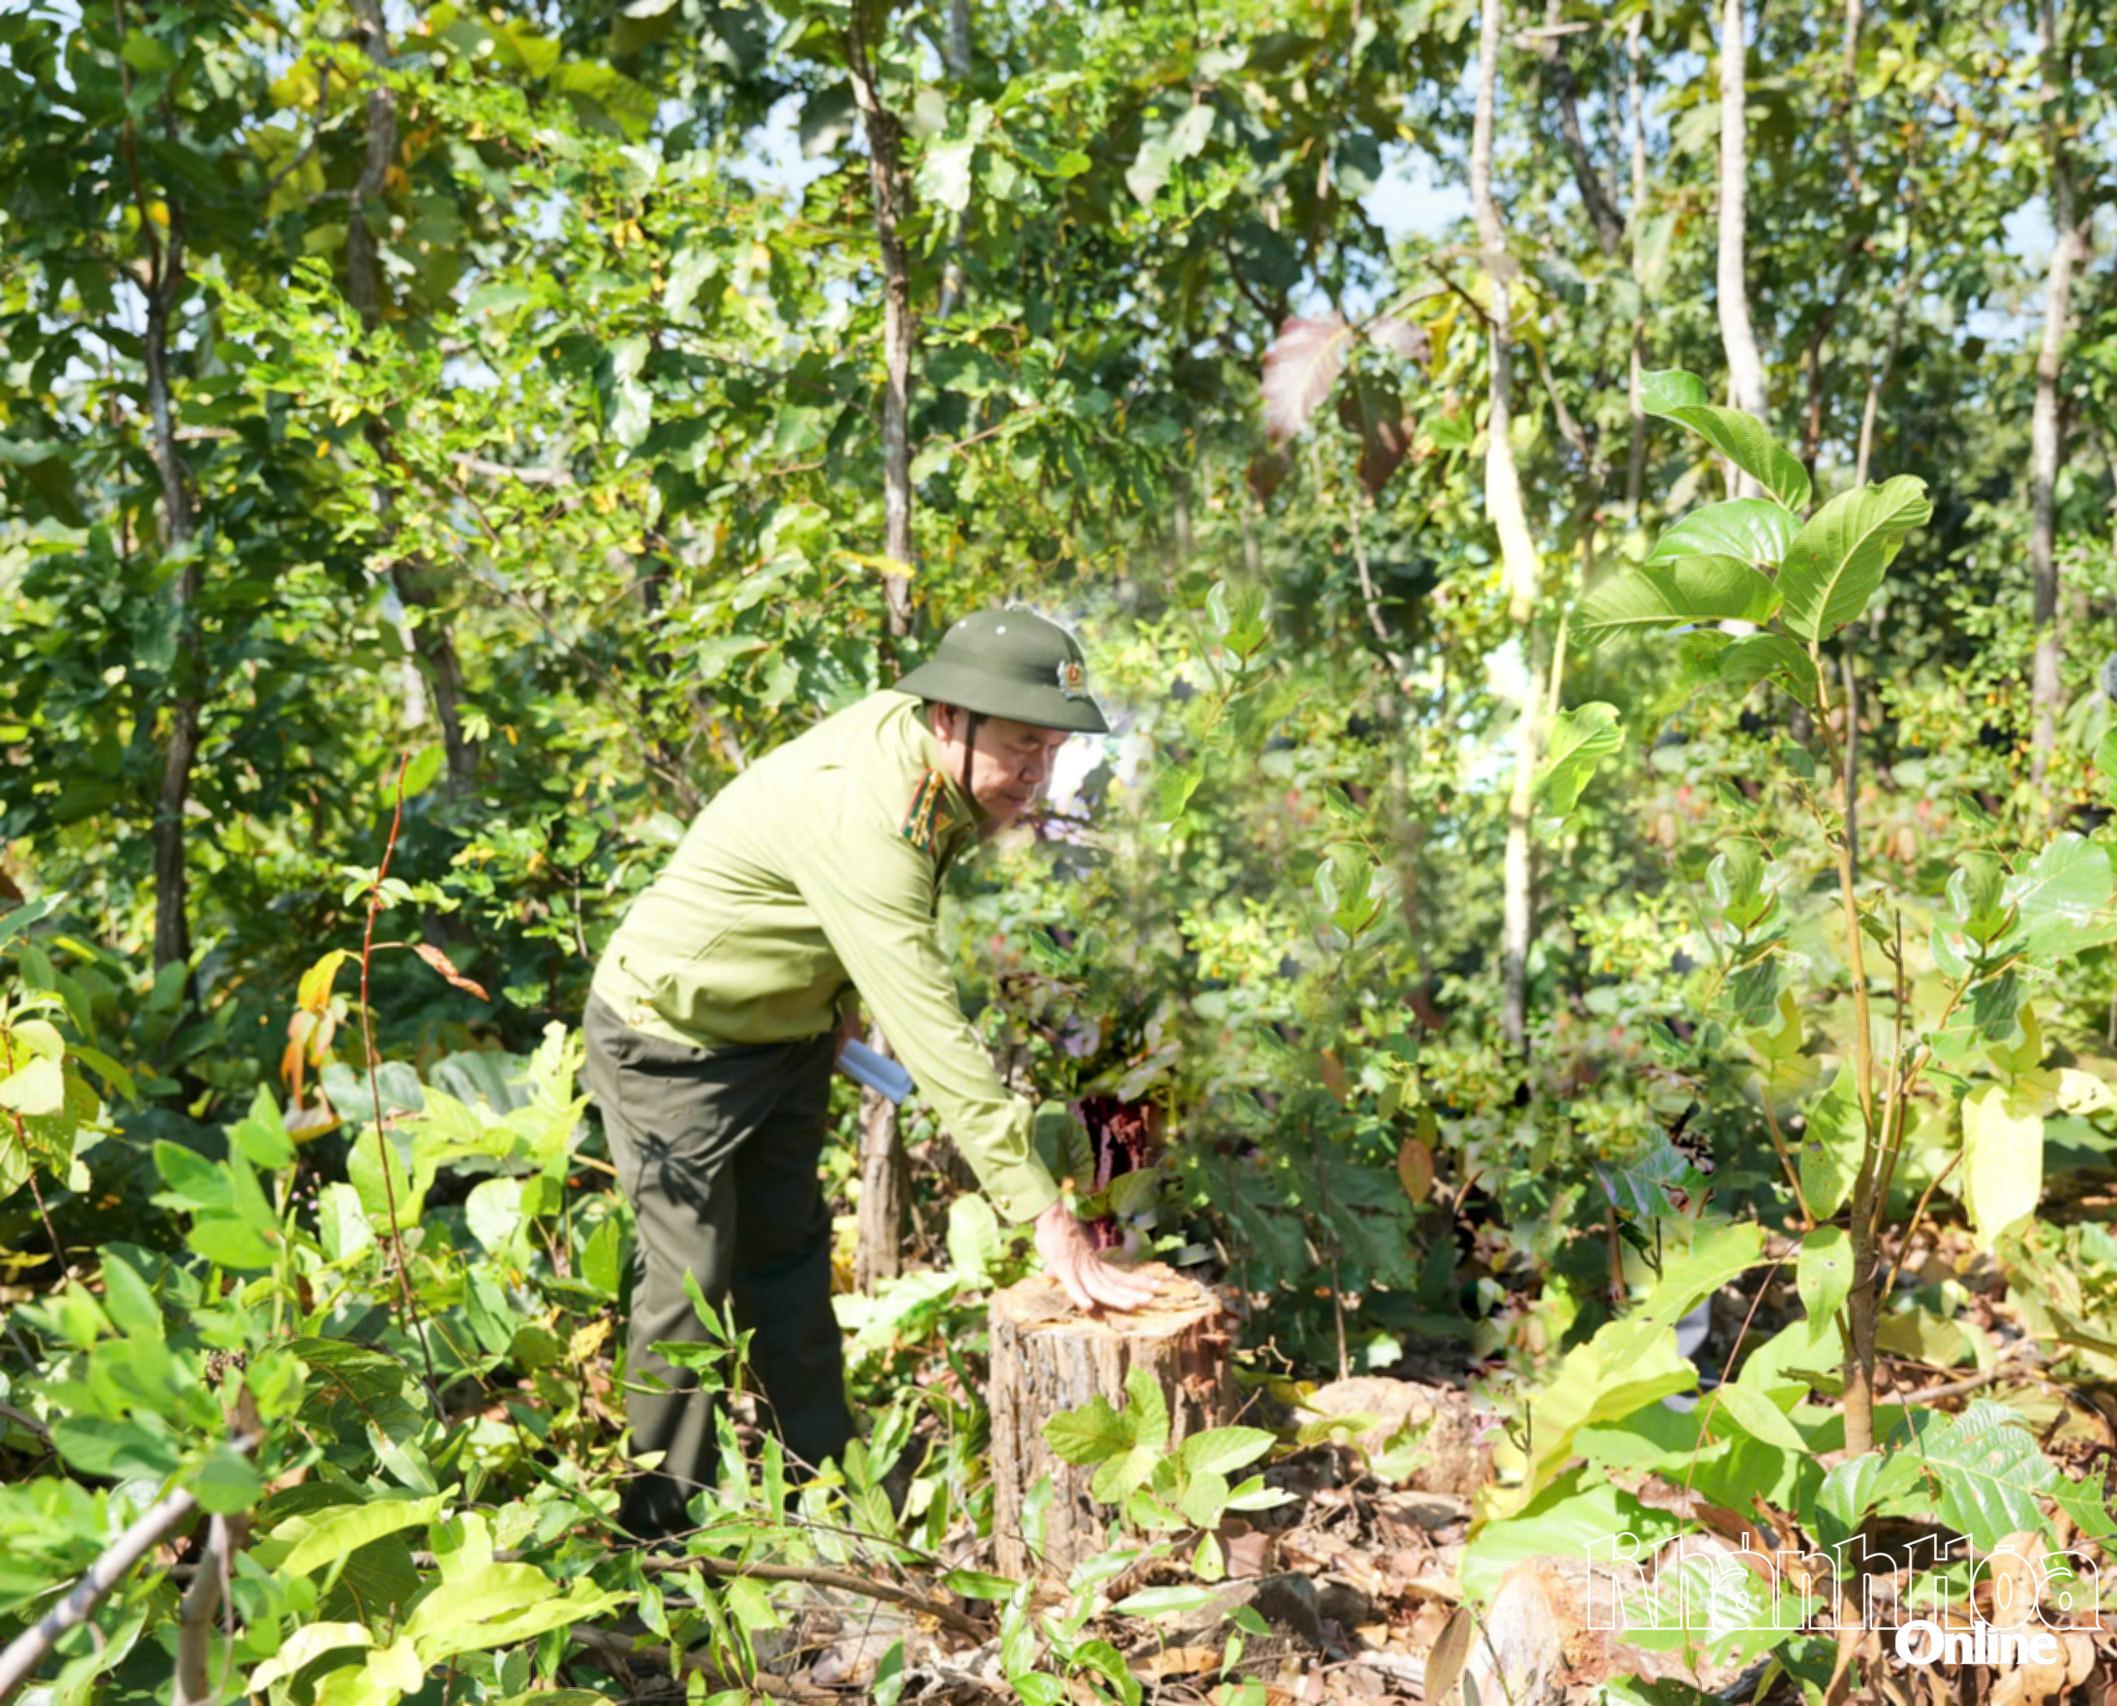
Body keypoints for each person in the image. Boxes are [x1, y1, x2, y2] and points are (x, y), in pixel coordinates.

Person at [583, 606, 1159, 1539]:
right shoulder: (868, 803)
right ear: (947, 718)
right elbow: (928, 1021)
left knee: (790, 1266)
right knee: (691, 1281)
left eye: (1051, 750)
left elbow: (851, 916)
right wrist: (1042, 1215)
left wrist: (830, 1005)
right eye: (1020, 745)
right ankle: (656, 1539)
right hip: (669, 1041)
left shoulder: (937, 772)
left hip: (786, 1036)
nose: (1035, 774)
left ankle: (837, 1507)